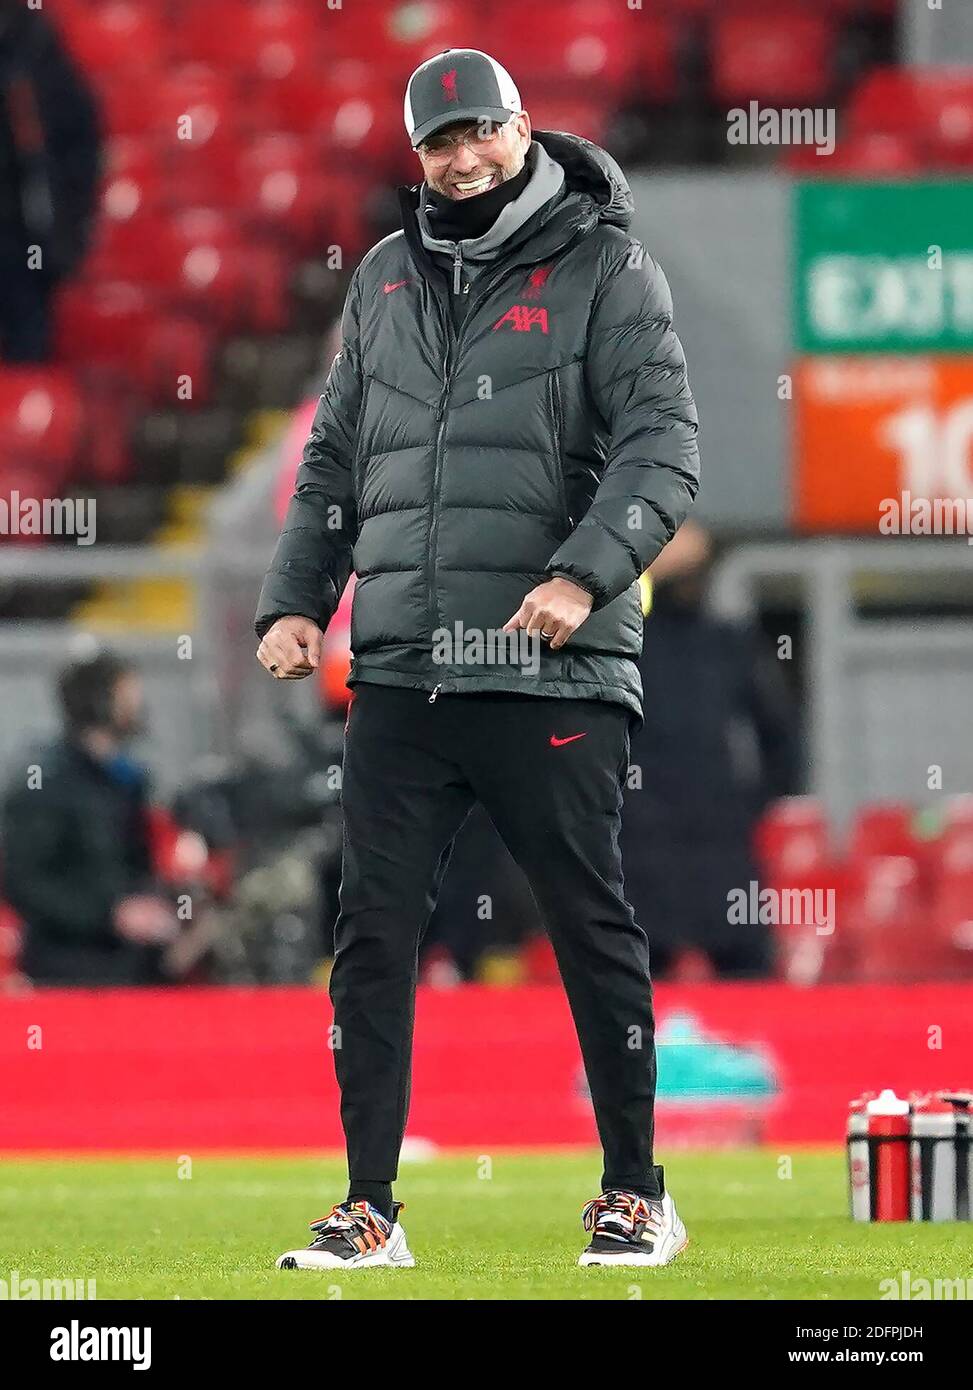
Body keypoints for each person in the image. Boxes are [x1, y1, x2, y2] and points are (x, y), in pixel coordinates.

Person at [256, 49, 700, 1271]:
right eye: (436, 144)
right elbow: (334, 465)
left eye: (477, 133)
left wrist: (580, 573)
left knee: (585, 923)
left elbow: (663, 448)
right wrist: (293, 602)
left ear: (520, 128)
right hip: (402, 666)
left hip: (549, 665)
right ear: (418, 159)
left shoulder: (606, 265)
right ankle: (369, 1207)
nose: (460, 158)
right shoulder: (387, 277)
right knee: (371, 934)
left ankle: (634, 1192)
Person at [622, 523, 800, 980]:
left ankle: (754, 1054)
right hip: (642, 842)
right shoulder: (626, 645)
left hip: (720, 840)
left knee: (748, 972)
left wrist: (751, 802)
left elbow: (779, 735)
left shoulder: (729, 643)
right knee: (635, 979)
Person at [1, 650, 179, 986]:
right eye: (127, 694)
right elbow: (22, 882)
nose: (138, 705)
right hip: (70, 970)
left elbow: (135, 866)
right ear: (99, 702)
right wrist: (110, 915)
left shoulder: (127, 781)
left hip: (135, 965)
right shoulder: (45, 783)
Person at [0, 1, 101, 361]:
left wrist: (65, 228)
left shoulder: (28, 39)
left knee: (28, 357)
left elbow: (78, 135)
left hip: (23, 241)